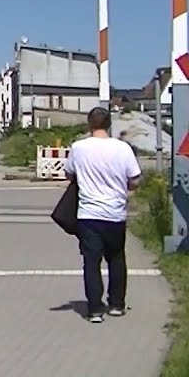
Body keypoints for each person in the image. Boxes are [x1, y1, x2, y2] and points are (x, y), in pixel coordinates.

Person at [63, 107, 142, 324]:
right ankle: (116, 304)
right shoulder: (123, 148)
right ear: (109, 125)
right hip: (115, 213)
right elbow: (135, 179)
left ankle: (95, 309)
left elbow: (69, 173)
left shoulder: (79, 148)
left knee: (91, 261)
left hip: (88, 213)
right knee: (116, 258)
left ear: (89, 124)